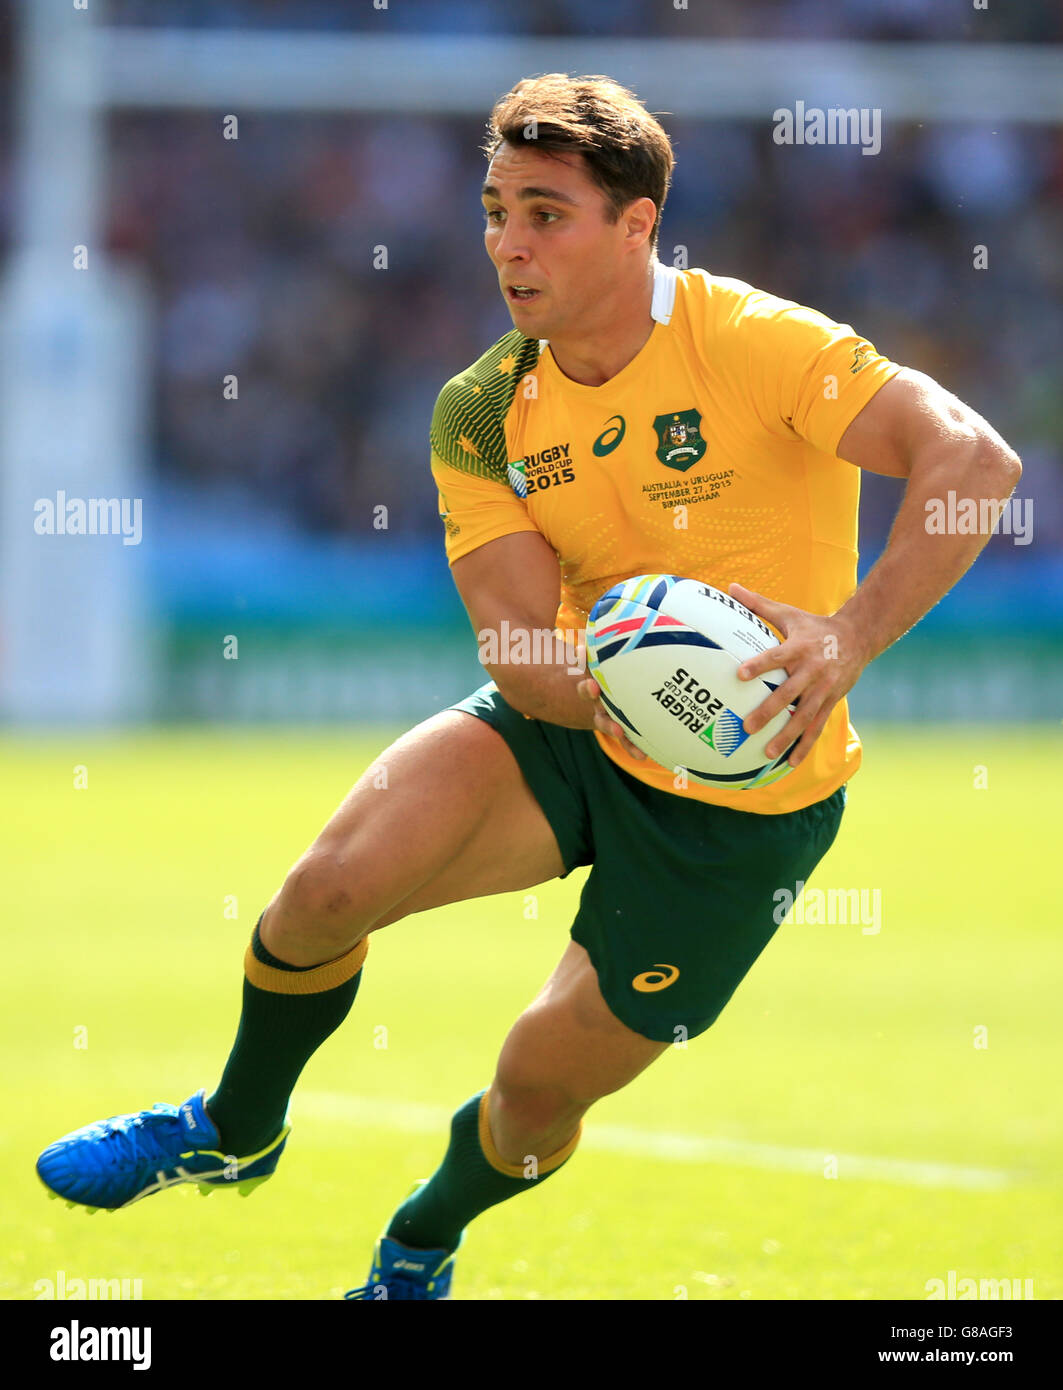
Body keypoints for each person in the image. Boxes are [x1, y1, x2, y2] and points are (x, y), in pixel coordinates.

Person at [36, 73, 1021, 1301]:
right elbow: (512, 639)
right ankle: (234, 1125)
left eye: (546, 211)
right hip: (571, 725)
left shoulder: (757, 342)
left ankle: (423, 1238)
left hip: (745, 799)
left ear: (636, 224)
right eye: (495, 208)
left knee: (535, 1091)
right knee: (325, 886)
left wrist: (848, 637)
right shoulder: (484, 407)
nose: (508, 240)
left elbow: (974, 461)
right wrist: (598, 682)